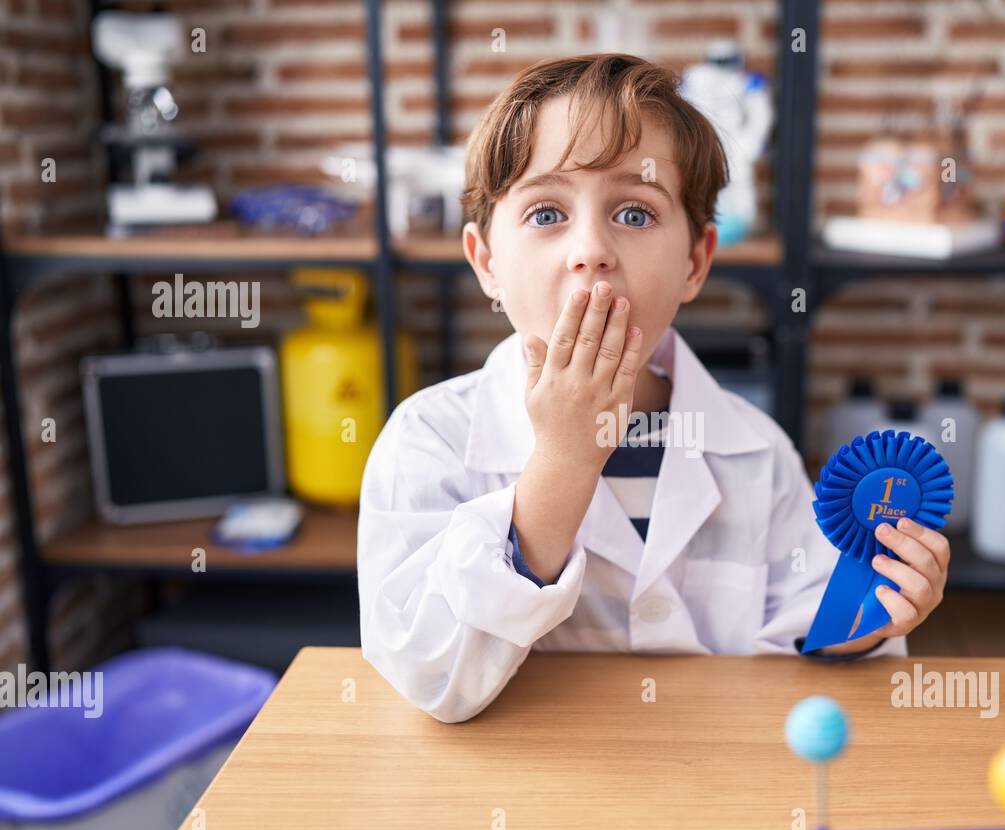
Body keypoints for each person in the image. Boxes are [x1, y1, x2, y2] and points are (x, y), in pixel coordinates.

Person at [358, 54, 950, 723]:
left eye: (635, 215)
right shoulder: (428, 441)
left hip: (710, 784)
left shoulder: (756, 451)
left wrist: (871, 613)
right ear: (487, 262)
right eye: (547, 212)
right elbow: (432, 680)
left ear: (696, 262)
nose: (592, 249)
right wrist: (565, 460)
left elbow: (806, 637)